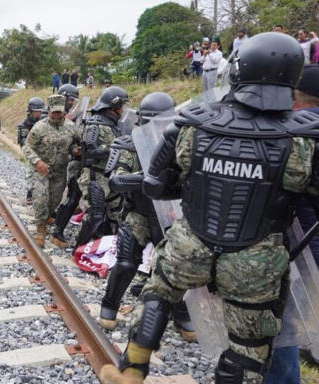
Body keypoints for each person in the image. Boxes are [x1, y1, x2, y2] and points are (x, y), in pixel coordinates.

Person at [101, 32, 319, 384]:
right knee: (250, 343)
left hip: (191, 244)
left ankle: (133, 368)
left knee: (159, 291)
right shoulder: (304, 141)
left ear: (238, 69)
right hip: (255, 259)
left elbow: (156, 185)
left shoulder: (192, 124)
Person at [97, 92, 196, 343]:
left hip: (170, 212)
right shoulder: (128, 144)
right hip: (138, 211)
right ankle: (110, 304)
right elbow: (116, 180)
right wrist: (148, 179)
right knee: (127, 262)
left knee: (176, 265)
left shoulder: (180, 143)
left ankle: (182, 314)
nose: (161, 128)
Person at [265, 64, 319, 384]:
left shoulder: (290, 132)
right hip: (307, 244)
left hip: (302, 251)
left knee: (281, 323)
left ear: (295, 98)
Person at [75, 86, 129, 247]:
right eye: (121, 107)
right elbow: (92, 150)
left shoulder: (116, 125)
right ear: (113, 107)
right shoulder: (94, 124)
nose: (123, 110)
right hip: (95, 177)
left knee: (118, 214)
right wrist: (115, 148)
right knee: (95, 215)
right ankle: (79, 247)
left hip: (112, 176)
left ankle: (109, 247)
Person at [23, 94, 78, 246]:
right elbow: (27, 147)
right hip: (41, 170)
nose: (56, 115)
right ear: (49, 111)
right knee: (40, 199)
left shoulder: (71, 127)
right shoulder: (39, 127)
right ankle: (41, 228)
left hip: (59, 171)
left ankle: (47, 216)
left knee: (55, 200)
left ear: (64, 112)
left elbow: (74, 144)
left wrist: (75, 150)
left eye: (59, 112)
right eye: (54, 112)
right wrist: (37, 162)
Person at [51, 83, 85, 248]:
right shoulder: (55, 113)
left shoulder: (75, 115)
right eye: (70, 99)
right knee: (67, 196)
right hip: (56, 160)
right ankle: (56, 229)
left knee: (73, 196)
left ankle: (57, 223)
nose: (72, 103)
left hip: (71, 159)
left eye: (74, 100)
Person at [18, 97, 47, 203]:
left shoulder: (45, 123)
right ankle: (30, 194)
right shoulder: (24, 125)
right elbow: (23, 142)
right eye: (36, 111)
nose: (38, 114)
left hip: (44, 152)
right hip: (31, 152)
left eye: (40, 111)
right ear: (30, 111)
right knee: (31, 173)